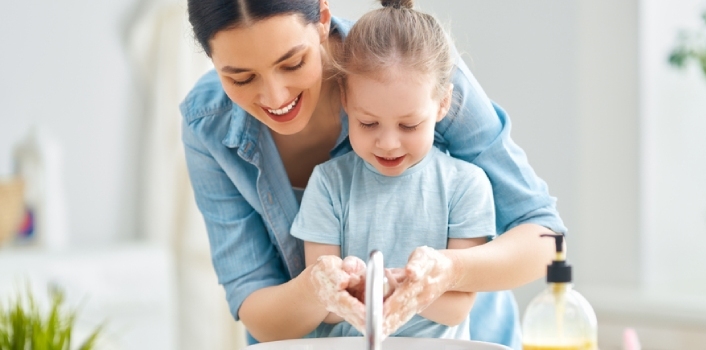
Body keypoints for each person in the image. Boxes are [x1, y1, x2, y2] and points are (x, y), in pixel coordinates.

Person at [180, 0, 567, 347]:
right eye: (241, 78)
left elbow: (545, 236)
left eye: (292, 62)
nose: (276, 97)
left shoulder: (412, 63)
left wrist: (448, 272)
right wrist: (316, 291)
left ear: (322, 18)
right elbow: (255, 304)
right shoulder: (206, 123)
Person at [289, 0, 495, 340]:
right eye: (368, 123)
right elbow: (324, 305)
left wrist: (392, 286)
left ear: (443, 102)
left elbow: (456, 307)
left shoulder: (466, 186)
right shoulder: (328, 184)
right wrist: (365, 287)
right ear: (345, 99)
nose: (388, 143)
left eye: (409, 126)